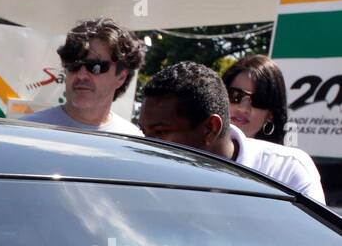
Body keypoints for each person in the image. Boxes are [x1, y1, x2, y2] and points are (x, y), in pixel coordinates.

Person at [139, 61, 325, 203]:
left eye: (160, 132)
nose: (244, 109)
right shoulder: (143, 174)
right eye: (235, 96)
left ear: (210, 128)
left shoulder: (288, 169)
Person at [21, 18, 143, 136]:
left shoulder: (131, 141)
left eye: (95, 66)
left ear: (121, 77)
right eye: (74, 65)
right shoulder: (28, 132)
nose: (81, 75)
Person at [223, 54, 289, 145]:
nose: (243, 109)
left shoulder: (281, 159)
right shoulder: (197, 146)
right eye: (236, 95)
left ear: (270, 115)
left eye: (257, 99)